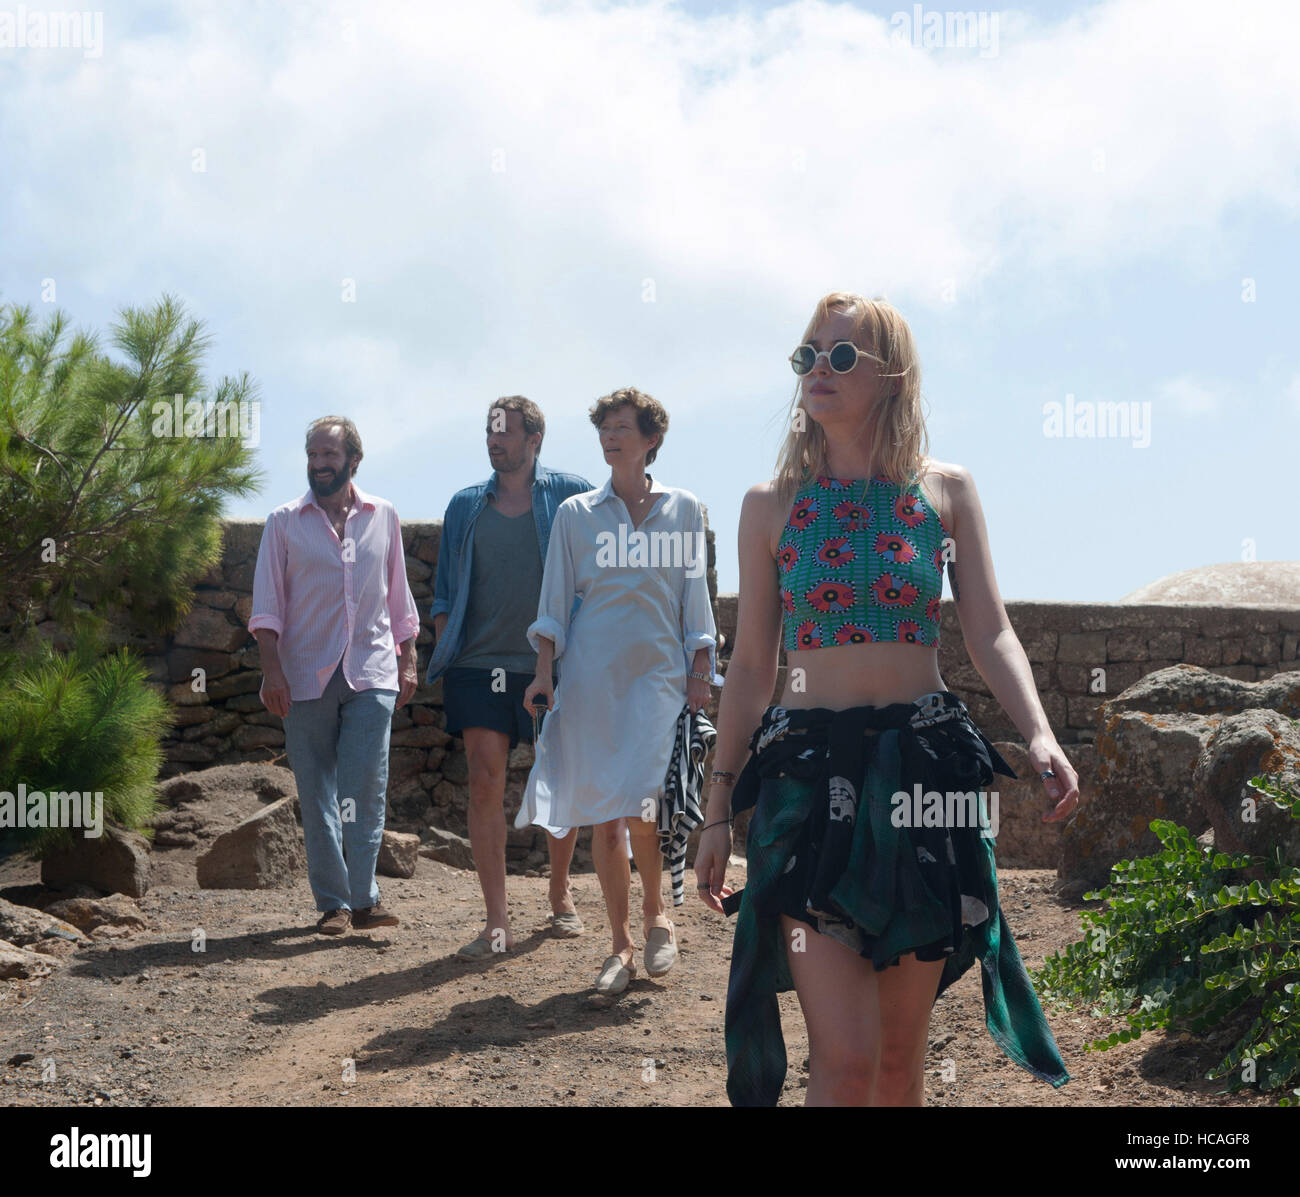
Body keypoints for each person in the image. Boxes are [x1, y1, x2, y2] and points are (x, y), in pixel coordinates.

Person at [694, 292, 1080, 1106]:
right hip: (805, 781)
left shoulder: (946, 492)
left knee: (900, 1063)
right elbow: (754, 664)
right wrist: (718, 807)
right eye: (808, 355)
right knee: (844, 1057)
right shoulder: (770, 506)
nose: (818, 371)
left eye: (841, 356)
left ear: (891, 376)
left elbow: (990, 631)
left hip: (926, 770)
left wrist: (1039, 734)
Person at [518, 387, 720, 994]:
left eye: (622, 427)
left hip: (658, 678)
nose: (610, 437)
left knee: (641, 805)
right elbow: (553, 601)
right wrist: (544, 671)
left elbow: (695, 596)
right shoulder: (575, 515)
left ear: (651, 438)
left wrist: (701, 670)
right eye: (604, 428)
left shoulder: (684, 508)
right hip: (591, 679)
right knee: (604, 818)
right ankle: (621, 947)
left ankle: (658, 914)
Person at [426, 397, 595, 959]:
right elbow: (445, 590)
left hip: (551, 663)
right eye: (489, 432)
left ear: (535, 438)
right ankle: (496, 919)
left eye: (506, 432)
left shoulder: (572, 494)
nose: (495, 441)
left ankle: (560, 892)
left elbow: (596, 574)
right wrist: (448, 637)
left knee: (557, 781)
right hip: (479, 665)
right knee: (484, 780)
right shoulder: (465, 505)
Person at [250, 416, 420, 936]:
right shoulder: (284, 522)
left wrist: (408, 658)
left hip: (372, 671)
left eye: (329, 455)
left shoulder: (382, 515)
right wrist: (272, 671)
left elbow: (399, 597)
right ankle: (333, 904)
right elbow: (267, 606)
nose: (320, 464)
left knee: (365, 786)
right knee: (317, 791)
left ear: (353, 460)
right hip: (303, 676)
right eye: (313, 455)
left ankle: (364, 898)